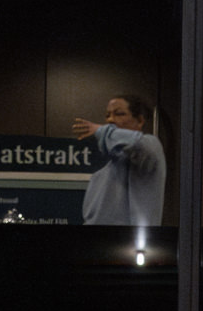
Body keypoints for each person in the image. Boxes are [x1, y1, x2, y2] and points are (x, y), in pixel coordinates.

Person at [71, 95, 166, 226]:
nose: (110, 120)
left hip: (133, 243)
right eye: (107, 115)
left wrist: (101, 131)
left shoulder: (151, 145)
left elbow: (138, 145)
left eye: (119, 114)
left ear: (139, 121)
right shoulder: (101, 174)